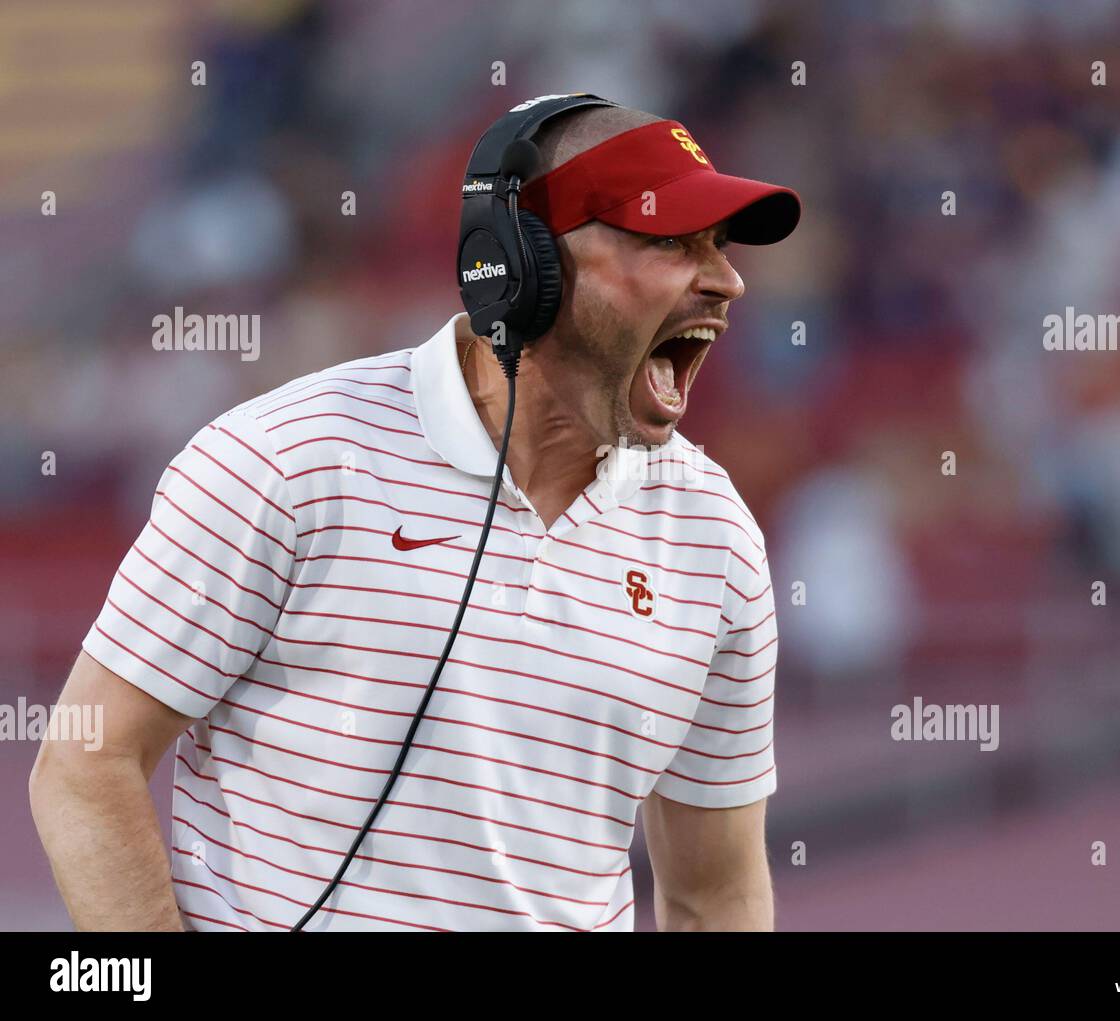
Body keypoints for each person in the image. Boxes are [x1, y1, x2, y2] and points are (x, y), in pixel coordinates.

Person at [30, 98, 801, 931]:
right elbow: (86, 761)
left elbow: (715, 893)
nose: (726, 279)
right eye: (672, 241)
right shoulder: (287, 460)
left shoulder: (714, 535)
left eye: (718, 246)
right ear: (521, 263)